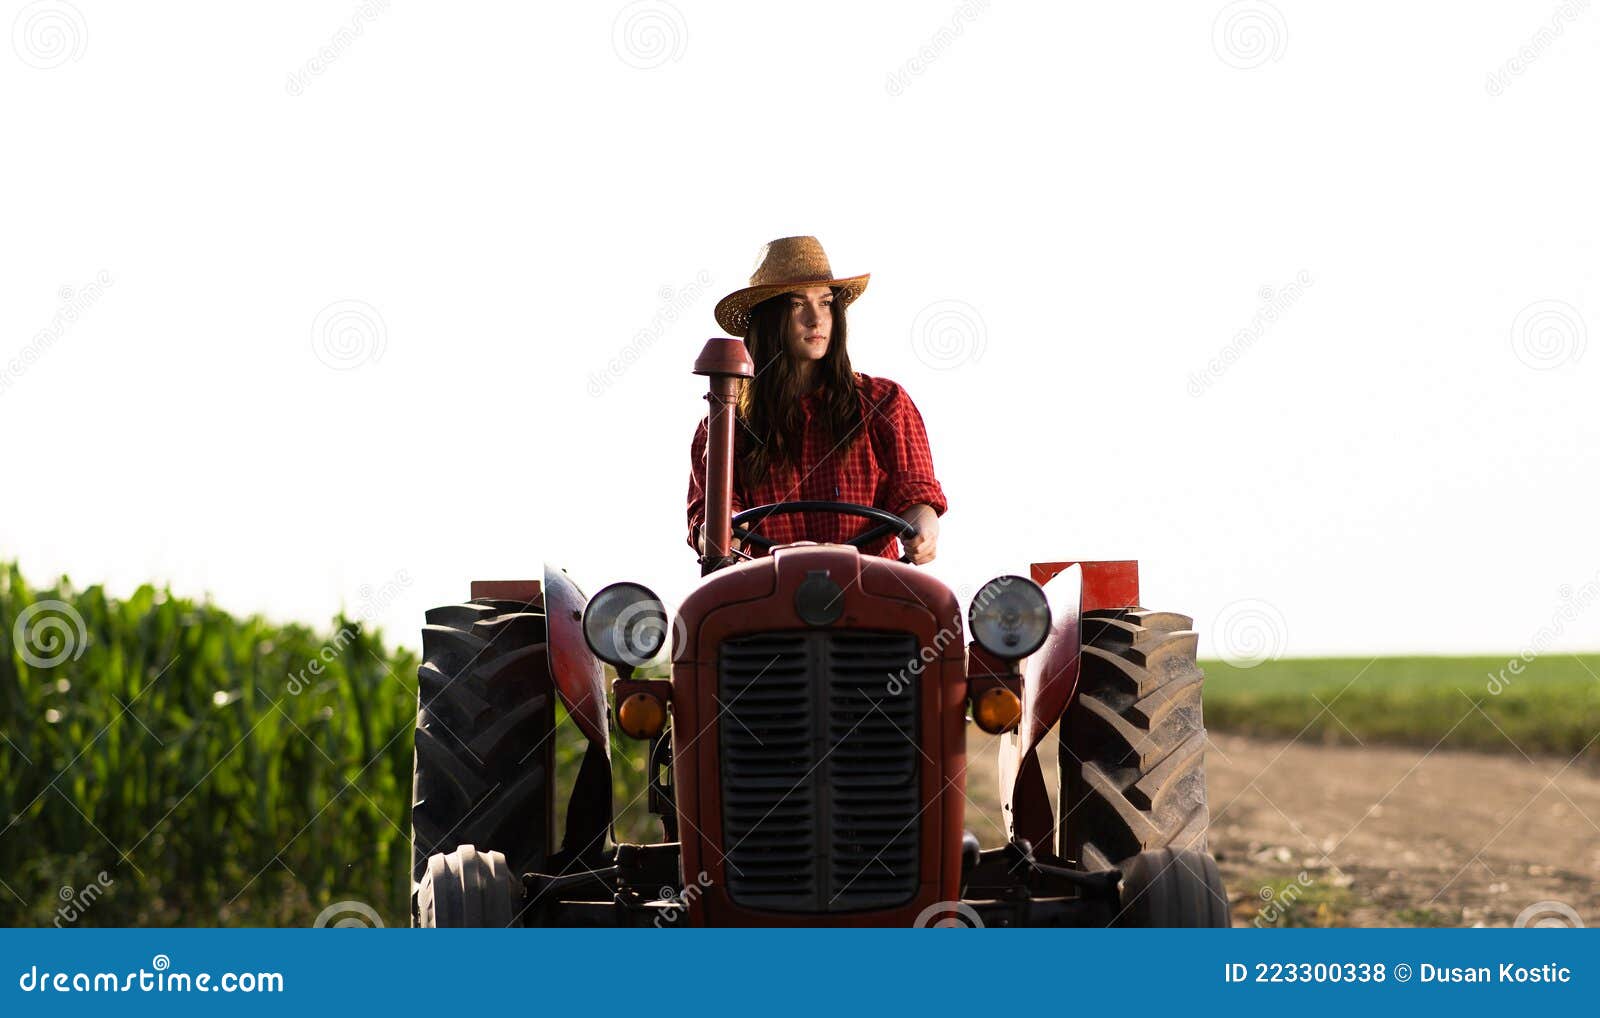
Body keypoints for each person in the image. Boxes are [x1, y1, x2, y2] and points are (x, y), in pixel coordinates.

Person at [687, 236, 946, 565]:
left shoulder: (885, 402)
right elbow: (711, 520)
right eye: (797, 305)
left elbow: (915, 493)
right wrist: (719, 530)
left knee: (936, 607)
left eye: (825, 303)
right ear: (769, 321)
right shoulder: (725, 426)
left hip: (869, 597)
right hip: (767, 602)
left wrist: (924, 529)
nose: (816, 318)